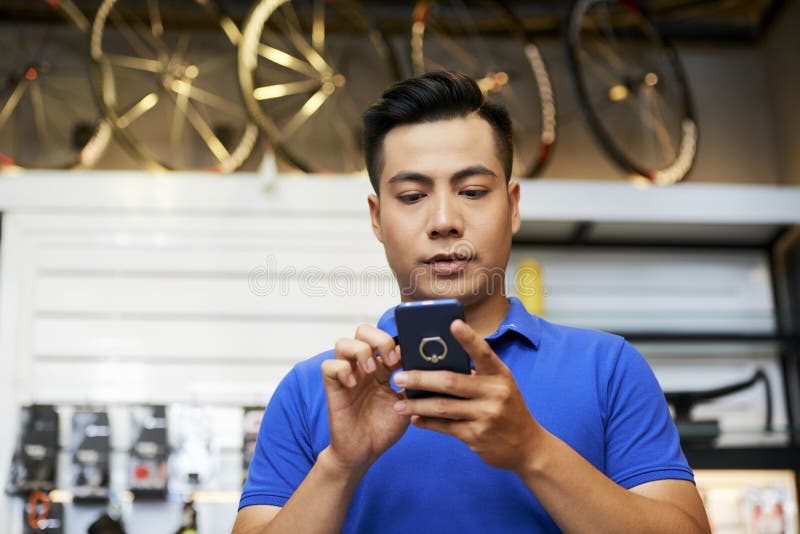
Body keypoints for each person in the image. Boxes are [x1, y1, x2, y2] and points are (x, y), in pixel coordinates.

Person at [232, 71, 710, 533]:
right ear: (377, 219)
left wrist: (532, 450)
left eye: (473, 191)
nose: (444, 220)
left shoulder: (608, 369)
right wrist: (339, 465)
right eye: (413, 195)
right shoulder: (311, 391)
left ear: (513, 205)